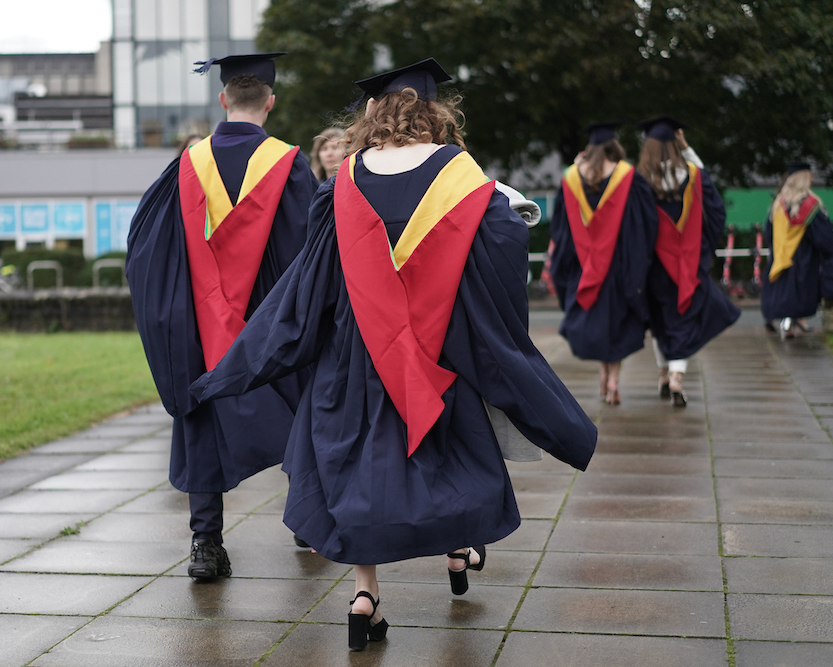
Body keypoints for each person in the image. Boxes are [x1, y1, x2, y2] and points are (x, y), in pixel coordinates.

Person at [187, 58, 597, 651]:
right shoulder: (463, 177)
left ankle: (365, 597)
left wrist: (253, 356)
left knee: (356, 472)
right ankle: (458, 551)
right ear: (435, 115)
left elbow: (311, 286)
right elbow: (502, 254)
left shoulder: (344, 183)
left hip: (355, 355)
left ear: (373, 118)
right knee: (449, 458)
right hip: (438, 351)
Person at [126, 52, 319, 582]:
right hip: (271, 328)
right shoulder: (289, 163)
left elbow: (149, 252)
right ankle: (308, 523)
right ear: (271, 103)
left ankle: (205, 545)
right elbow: (308, 250)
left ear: (222, 99)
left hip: (201, 328)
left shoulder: (187, 165)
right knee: (301, 412)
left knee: (202, 420)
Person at [549, 121, 658, 405]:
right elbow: (645, 224)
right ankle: (613, 380)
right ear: (615, 146)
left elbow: (560, 228)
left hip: (582, 267)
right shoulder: (628, 176)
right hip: (619, 267)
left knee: (597, 325)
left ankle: (603, 374)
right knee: (616, 325)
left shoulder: (572, 176)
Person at [635, 116, 741, 407]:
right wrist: (702, 246)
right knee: (682, 316)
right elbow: (716, 211)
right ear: (676, 145)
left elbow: (632, 225)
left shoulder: (639, 180)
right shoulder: (693, 175)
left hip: (653, 264)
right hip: (688, 261)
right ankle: (677, 376)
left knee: (660, 320)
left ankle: (663, 374)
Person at [761, 161, 833, 338]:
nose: (813, 178)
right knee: (799, 292)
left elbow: (768, 233)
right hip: (803, 259)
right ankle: (792, 321)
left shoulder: (778, 205)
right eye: (810, 175)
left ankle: (788, 322)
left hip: (781, 256)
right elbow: (823, 239)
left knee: (785, 291)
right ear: (804, 179)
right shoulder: (811, 205)